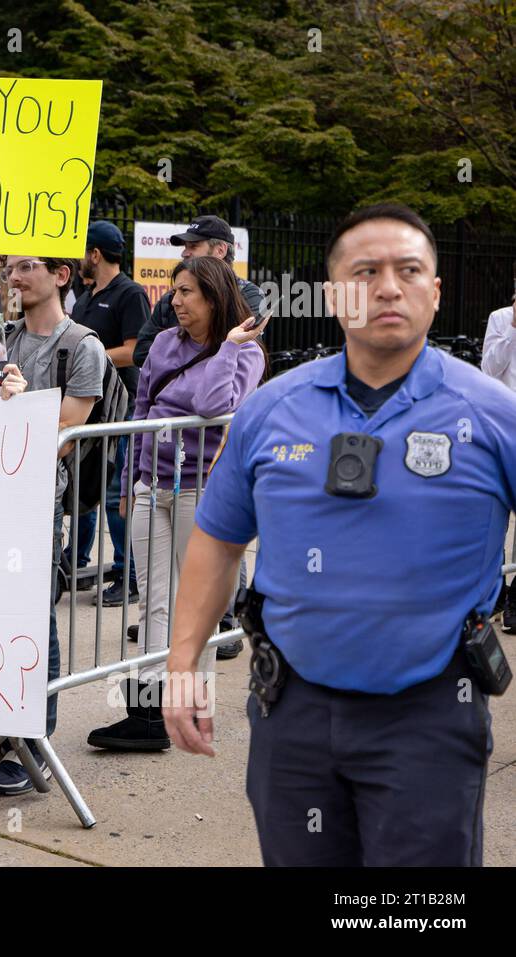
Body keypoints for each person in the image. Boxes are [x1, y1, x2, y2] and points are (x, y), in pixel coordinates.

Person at [166, 203, 508, 866]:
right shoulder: (269, 410)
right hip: (292, 717)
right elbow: (217, 536)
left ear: (435, 292)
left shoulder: (494, 415)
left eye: (409, 270)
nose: (388, 286)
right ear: (334, 293)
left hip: (431, 717)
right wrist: (183, 662)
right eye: (366, 270)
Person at [86, 255, 266, 752]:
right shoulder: (164, 343)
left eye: (187, 292)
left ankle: (191, 709)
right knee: (155, 602)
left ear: (213, 296)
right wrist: (130, 480)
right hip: (153, 486)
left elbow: (213, 406)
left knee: (199, 605)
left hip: (202, 489)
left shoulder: (246, 353)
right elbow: (141, 412)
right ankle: (146, 714)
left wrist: (227, 348)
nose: (174, 301)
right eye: (175, 290)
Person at [0, 251, 107, 795]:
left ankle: (34, 741)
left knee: (33, 616)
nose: (13, 277)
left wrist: (22, 405)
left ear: (61, 276)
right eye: (8, 268)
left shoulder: (82, 346)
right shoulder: (4, 335)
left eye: (25, 268)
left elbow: (64, 436)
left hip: (37, 505)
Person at [69, 221, 149, 608]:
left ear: (95, 255)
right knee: (82, 485)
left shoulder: (130, 294)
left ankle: (128, 574)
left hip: (122, 406)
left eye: (84, 251)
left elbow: (136, 350)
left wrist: (89, 357)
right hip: (91, 407)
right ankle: (74, 562)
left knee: (117, 492)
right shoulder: (86, 296)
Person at [132, 215, 263, 370]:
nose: (184, 253)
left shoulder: (250, 296)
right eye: (185, 247)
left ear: (220, 250)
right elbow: (141, 353)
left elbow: (238, 353)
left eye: (193, 246)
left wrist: (168, 348)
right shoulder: (171, 298)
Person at [480, 288, 516, 633]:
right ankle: (494, 595)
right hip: (504, 429)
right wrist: (514, 328)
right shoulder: (501, 319)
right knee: (495, 518)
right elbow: (489, 370)